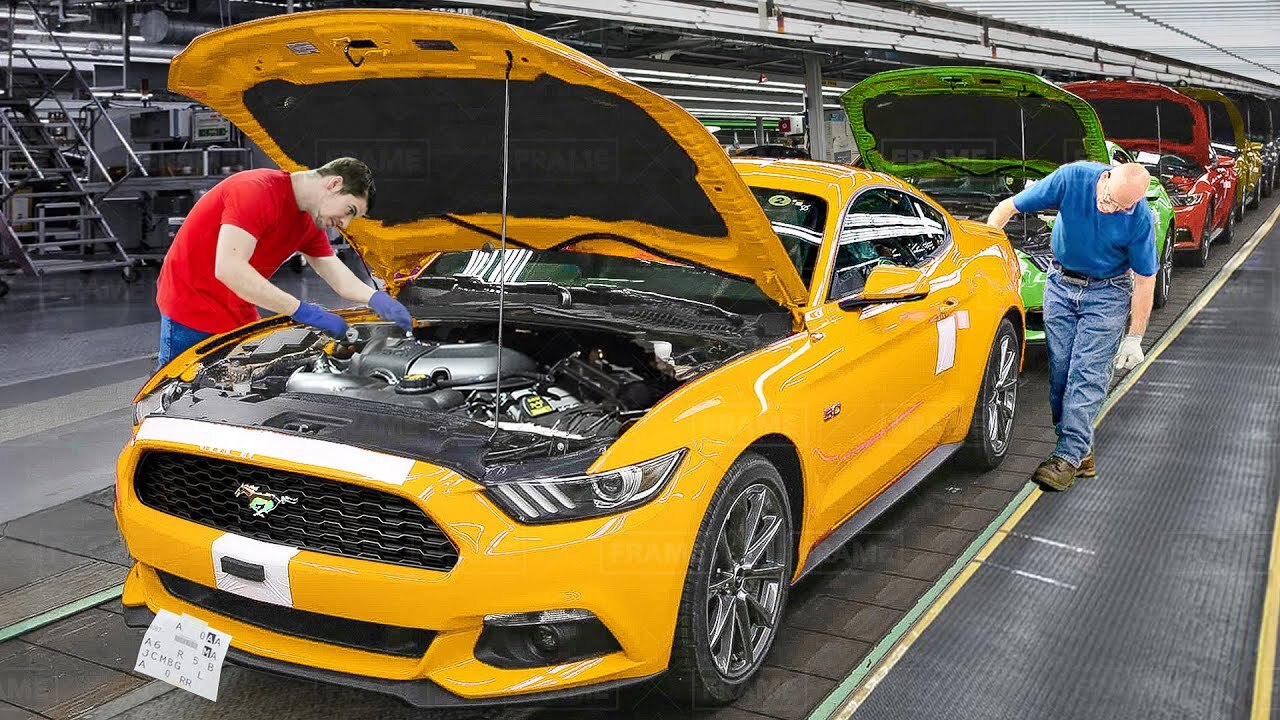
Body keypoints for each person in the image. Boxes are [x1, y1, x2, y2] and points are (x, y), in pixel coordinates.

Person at [986, 162, 1158, 491]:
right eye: (1109, 201)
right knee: (1061, 375)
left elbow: (1146, 279)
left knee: (1086, 373)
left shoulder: (1137, 217)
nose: (1113, 210)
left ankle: (1066, 457)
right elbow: (1007, 207)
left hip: (1108, 293)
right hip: (1060, 285)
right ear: (1106, 177)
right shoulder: (1072, 178)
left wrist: (1135, 337)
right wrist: (989, 255)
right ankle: (1081, 450)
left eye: (1123, 207)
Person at [155, 157, 413, 368]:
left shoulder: (309, 222)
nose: (345, 224)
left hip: (240, 307)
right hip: (191, 307)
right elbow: (229, 268)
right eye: (349, 211)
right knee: (176, 401)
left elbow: (335, 273)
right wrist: (302, 311)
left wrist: (376, 299)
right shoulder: (255, 190)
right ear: (334, 184)